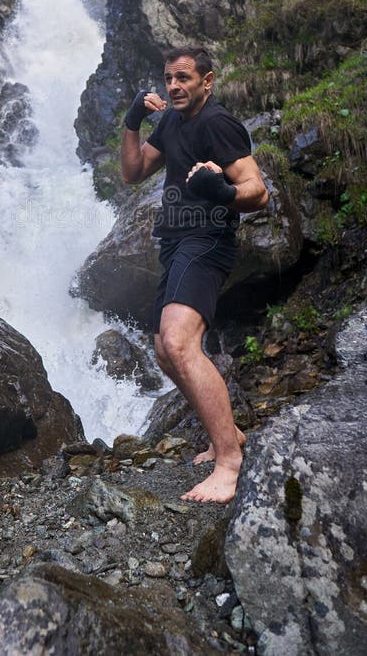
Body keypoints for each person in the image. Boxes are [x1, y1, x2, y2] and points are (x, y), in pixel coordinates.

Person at [120, 46, 268, 503]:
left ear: (208, 81)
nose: (173, 86)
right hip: (177, 243)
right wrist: (131, 123)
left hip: (208, 240)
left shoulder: (218, 123)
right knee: (165, 350)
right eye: (168, 78)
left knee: (180, 342)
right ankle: (229, 436)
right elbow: (132, 172)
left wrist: (220, 191)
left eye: (184, 77)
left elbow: (256, 191)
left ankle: (230, 462)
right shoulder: (170, 122)